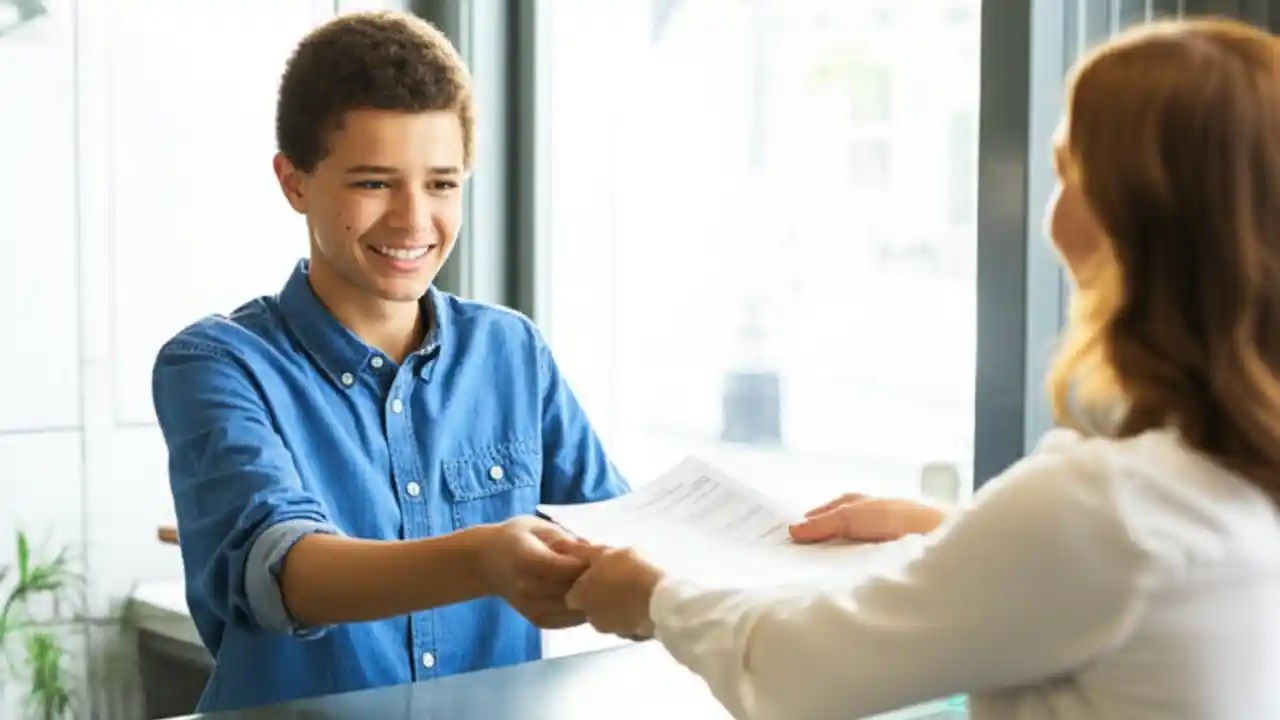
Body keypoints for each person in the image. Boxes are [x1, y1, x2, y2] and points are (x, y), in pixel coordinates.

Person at [560, 18, 1280, 720]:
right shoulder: (1228, 475)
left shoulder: (1104, 504)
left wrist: (653, 596)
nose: (1050, 212)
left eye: (1069, 172)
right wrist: (952, 535)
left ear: (1135, 214)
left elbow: (799, 671)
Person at [151, 11, 627, 713]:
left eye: (441, 185)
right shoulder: (216, 364)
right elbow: (285, 574)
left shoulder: (511, 351)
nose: (413, 222)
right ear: (295, 183)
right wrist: (483, 559)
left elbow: (617, 525)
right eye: (374, 183)